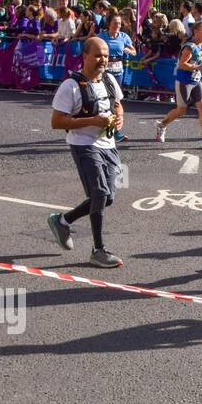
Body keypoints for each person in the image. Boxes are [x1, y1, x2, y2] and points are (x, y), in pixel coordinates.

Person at [48, 36, 126, 268]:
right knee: (100, 193)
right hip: (84, 144)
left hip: (108, 145)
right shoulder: (70, 86)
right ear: (85, 56)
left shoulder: (110, 80)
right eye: (98, 55)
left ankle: (62, 221)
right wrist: (93, 120)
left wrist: (120, 117)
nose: (103, 60)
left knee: (106, 198)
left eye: (106, 55)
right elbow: (56, 121)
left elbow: (118, 104)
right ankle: (98, 250)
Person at [155, 20, 202, 148]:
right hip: (184, 82)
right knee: (181, 110)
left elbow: (200, 65)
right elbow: (182, 64)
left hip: (196, 82)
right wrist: (198, 67)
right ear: (195, 31)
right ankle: (161, 125)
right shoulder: (190, 46)